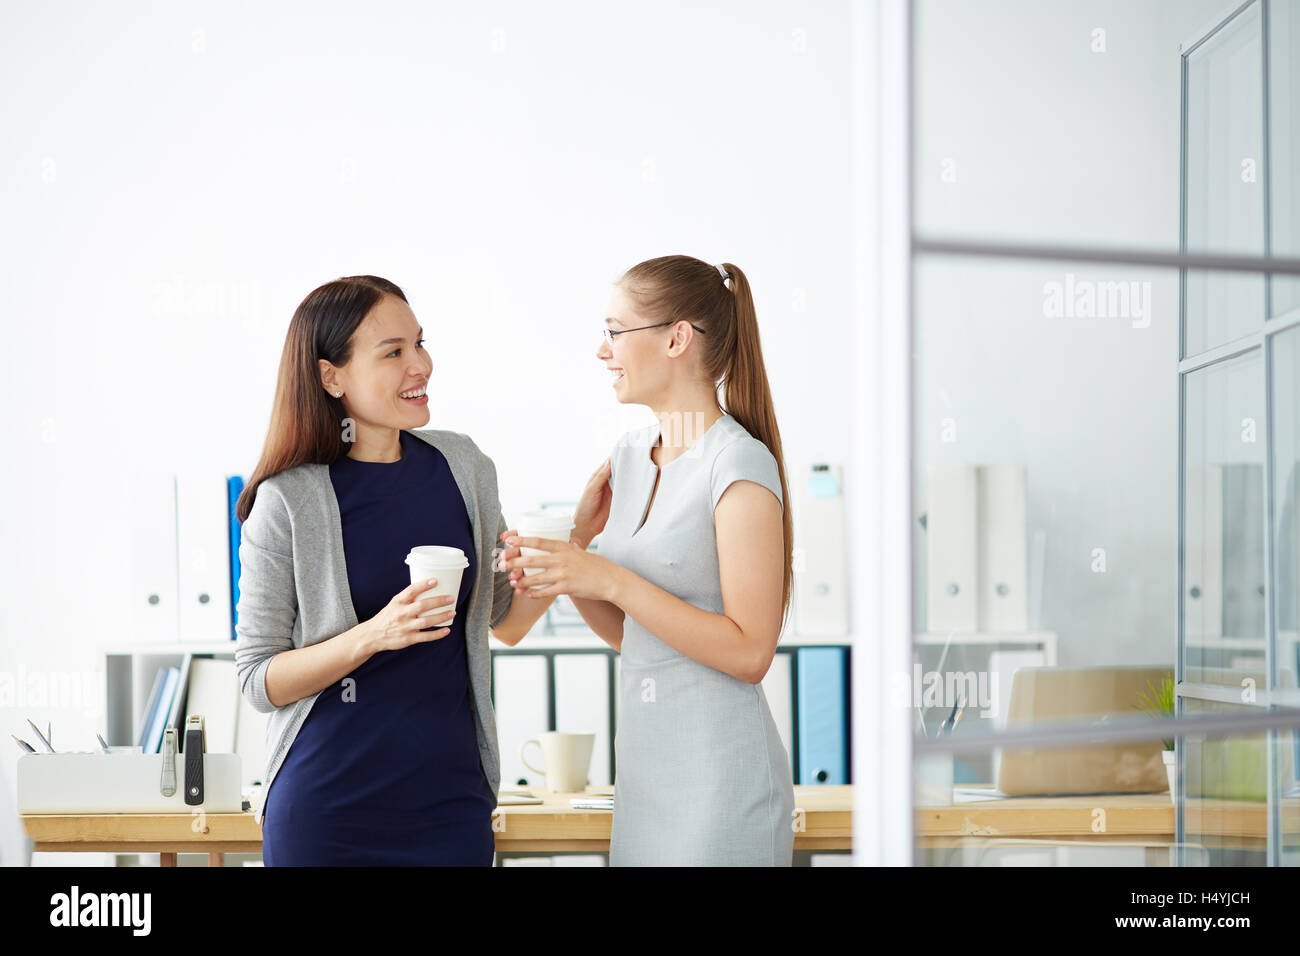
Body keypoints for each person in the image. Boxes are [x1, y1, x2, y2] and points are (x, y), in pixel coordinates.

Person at [233, 275, 550, 865]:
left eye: (420, 344)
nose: (421, 365)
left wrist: (570, 539)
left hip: (450, 805)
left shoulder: (464, 466)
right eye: (394, 352)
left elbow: (505, 620)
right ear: (332, 377)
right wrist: (374, 635)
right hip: (329, 812)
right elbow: (258, 680)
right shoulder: (288, 499)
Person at [500, 255, 795, 865]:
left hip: (721, 783)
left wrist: (607, 576)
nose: (602, 351)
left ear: (677, 337)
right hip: (643, 778)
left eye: (615, 331)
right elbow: (635, 637)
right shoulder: (631, 457)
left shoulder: (738, 466)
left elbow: (749, 653)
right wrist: (571, 563)